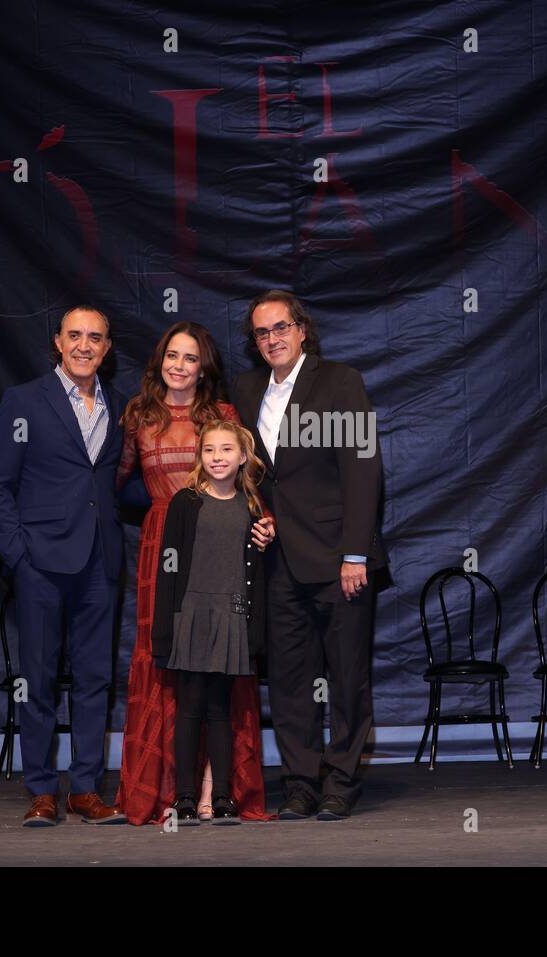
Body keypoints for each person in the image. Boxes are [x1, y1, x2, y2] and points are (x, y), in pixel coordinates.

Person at [231, 290, 386, 820]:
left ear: (301, 330)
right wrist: (258, 518)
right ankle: (299, 783)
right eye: (261, 332)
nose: (272, 338)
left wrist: (356, 555)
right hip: (278, 563)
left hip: (339, 560)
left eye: (280, 327)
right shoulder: (247, 389)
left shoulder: (339, 380)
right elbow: (249, 473)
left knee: (346, 678)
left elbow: (363, 470)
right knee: (291, 682)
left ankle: (341, 780)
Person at [114, 322, 273, 824]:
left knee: (223, 674)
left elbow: (244, 479)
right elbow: (117, 481)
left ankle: (214, 787)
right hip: (162, 542)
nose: (179, 365)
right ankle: (165, 788)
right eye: (172, 356)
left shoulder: (221, 415)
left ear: (203, 368)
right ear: (159, 361)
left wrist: (262, 522)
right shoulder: (138, 415)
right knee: (166, 666)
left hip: (220, 545)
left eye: (190, 358)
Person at [0, 305, 127, 826]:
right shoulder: (23, 401)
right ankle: (42, 790)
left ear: (107, 348)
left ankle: (85, 789)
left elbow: (110, 484)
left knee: (94, 681)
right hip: (39, 563)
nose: (85, 345)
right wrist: (18, 556)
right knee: (38, 681)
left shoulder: (121, 405)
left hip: (99, 562)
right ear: (58, 343)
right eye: (75, 336)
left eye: (96, 337)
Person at [151, 420, 270, 825]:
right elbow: (169, 567)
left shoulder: (251, 507)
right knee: (190, 708)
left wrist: (253, 628)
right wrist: (166, 626)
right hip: (191, 614)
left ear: (242, 457)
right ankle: (185, 796)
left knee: (221, 710)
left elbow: (256, 570)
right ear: (199, 456)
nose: (217, 458)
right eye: (209, 451)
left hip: (232, 615)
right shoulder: (185, 503)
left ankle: (221, 795)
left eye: (225, 451)